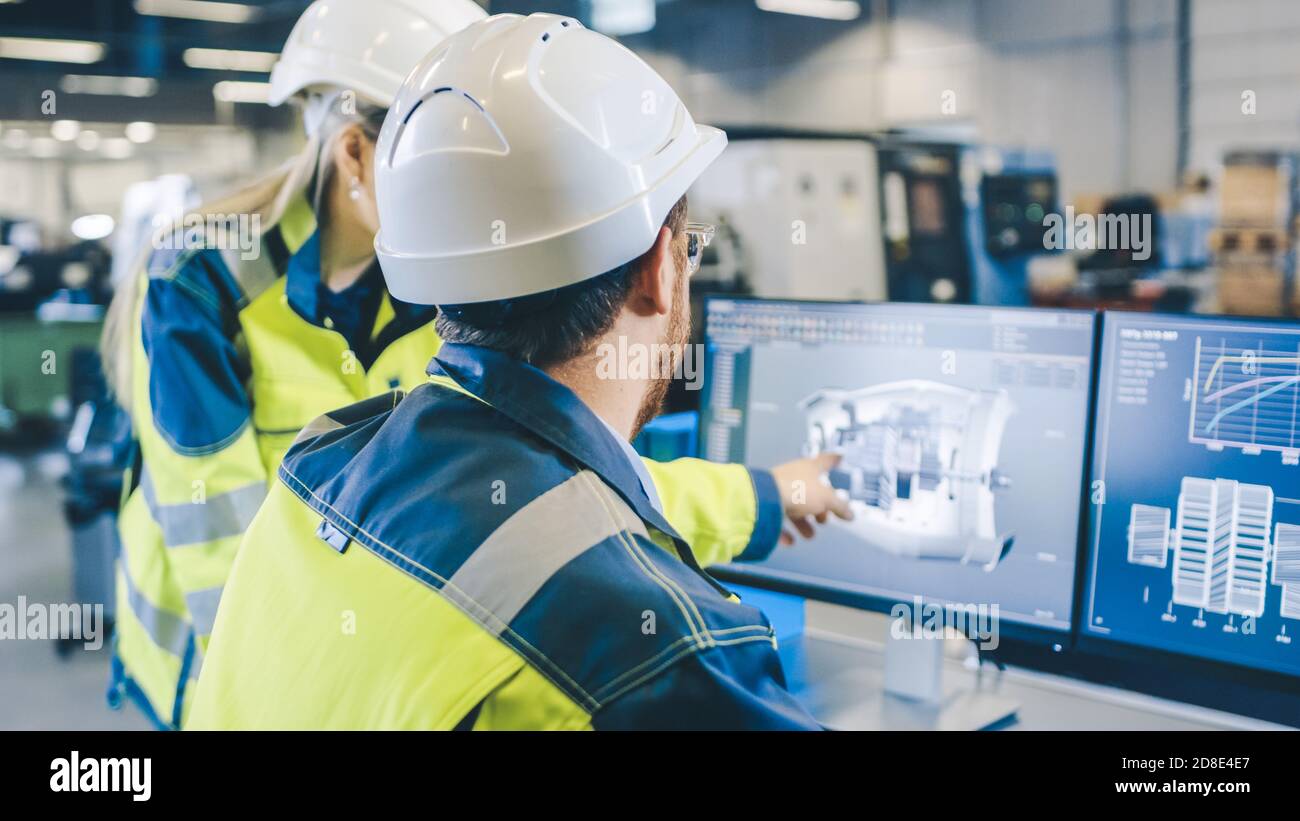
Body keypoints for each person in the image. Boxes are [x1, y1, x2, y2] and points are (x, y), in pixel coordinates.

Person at [103, 1, 846, 730]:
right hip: (212, 668)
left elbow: (534, 492)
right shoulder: (204, 282)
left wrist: (762, 499)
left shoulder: (390, 366)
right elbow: (216, 549)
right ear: (355, 152)